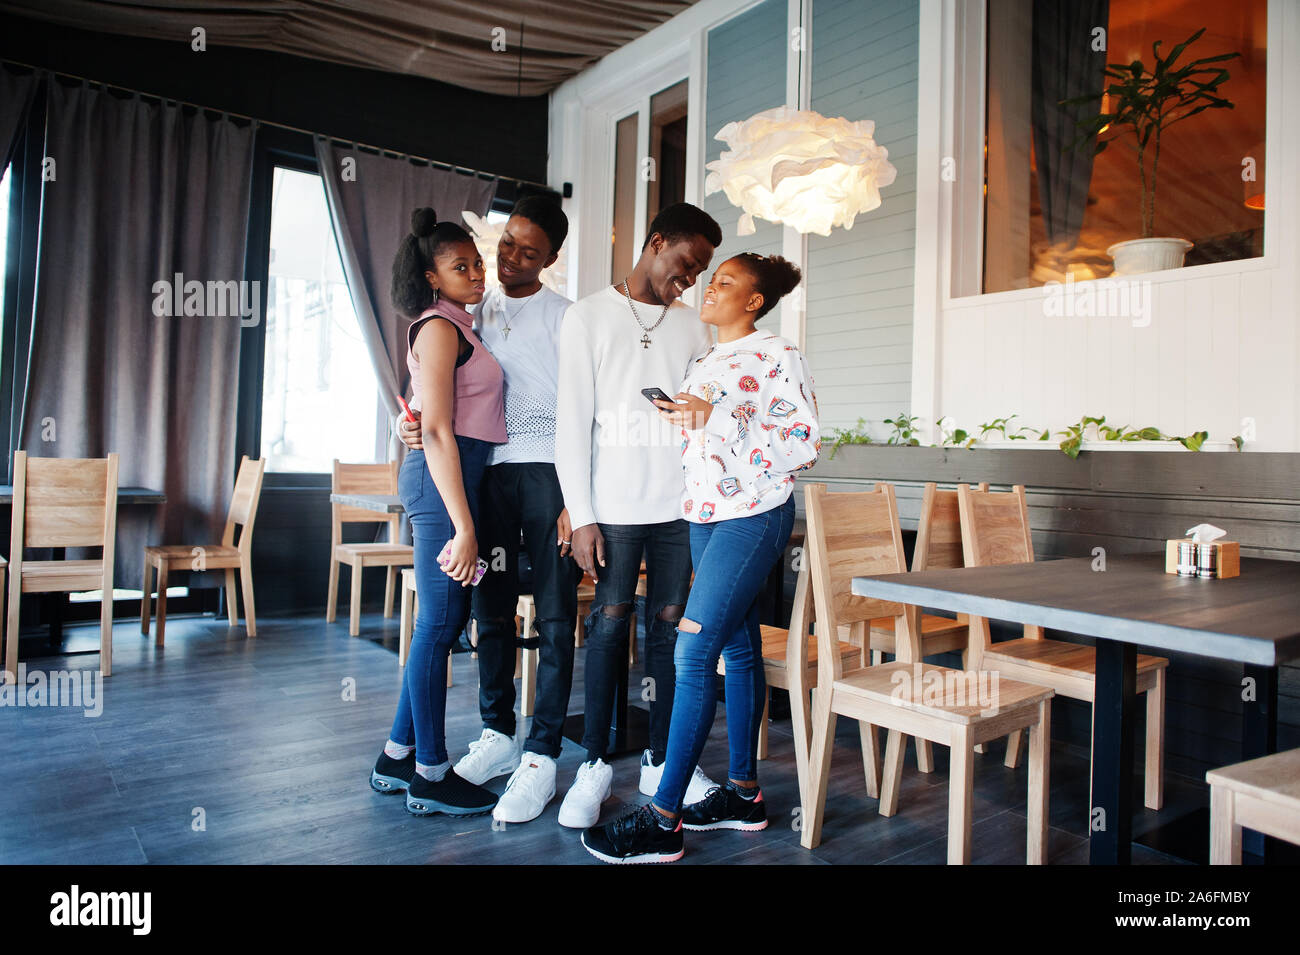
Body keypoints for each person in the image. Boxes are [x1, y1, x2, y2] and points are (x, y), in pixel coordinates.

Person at [581, 253, 819, 863]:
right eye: (712, 280)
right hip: (704, 517)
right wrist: (692, 417)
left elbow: (803, 443)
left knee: (691, 649)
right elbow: (712, 439)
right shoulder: (705, 359)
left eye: (726, 283)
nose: (710, 288)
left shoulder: (776, 354)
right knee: (736, 649)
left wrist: (715, 418)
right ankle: (742, 795)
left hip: (754, 517)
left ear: (755, 302)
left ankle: (662, 820)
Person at [397, 197, 581, 825]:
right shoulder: (473, 308)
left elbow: (589, 409)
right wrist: (411, 422)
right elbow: (440, 393)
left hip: (550, 478)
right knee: (490, 612)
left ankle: (543, 750)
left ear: (550, 259)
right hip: (489, 477)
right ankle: (497, 733)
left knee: (556, 615)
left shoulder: (566, 316)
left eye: (528, 252)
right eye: (506, 245)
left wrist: (576, 499)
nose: (509, 260)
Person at [553, 203, 725, 830]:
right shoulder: (588, 316)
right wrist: (583, 514)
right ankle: (595, 764)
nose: (691, 281)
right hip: (614, 510)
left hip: (679, 509)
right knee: (606, 629)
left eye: (702, 272)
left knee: (669, 636)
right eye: (686, 265)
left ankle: (660, 762)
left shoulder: (692, 329)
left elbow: (701, 419)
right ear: (656, 242)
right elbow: (571, 426)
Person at [369, 208, 505, 817]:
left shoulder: (456, 326)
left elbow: (428, 420)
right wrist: (466, 527)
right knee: (439, 625)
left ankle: (397, 755)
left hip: (451, 482)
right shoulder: (440, 329)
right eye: (460, 267)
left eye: (477, 263)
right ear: (432, 276)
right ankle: (431, 771)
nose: (476, 274)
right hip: (443, 487)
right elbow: (442, 434)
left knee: (438, 623)